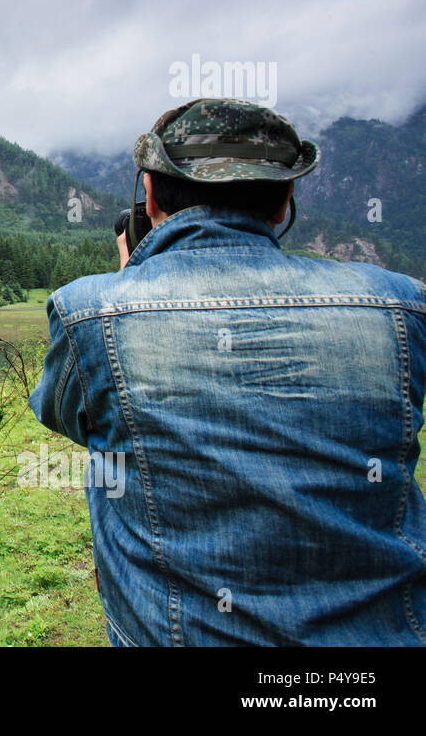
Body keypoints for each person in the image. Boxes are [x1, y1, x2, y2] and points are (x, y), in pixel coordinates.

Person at [30, 98, 426, 645]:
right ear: (286, 199)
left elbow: (67, 415)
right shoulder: (401, 305)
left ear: (148, 194)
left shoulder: (91, 313)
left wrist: (128, 288)